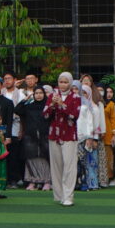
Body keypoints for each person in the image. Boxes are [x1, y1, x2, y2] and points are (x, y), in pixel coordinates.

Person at [44, 73, 81, 206]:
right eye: (61, 81)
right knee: (56, 166)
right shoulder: (51, 96)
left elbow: (74, 115)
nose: (63, 84)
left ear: (70, 83)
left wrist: (62, 105)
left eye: (66, 82)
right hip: (54, 135)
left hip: (69, 135)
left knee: (69, 166)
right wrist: (53, 104)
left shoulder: (76, 97)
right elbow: (45, 114)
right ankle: (59, 195)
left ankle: (68, 196)